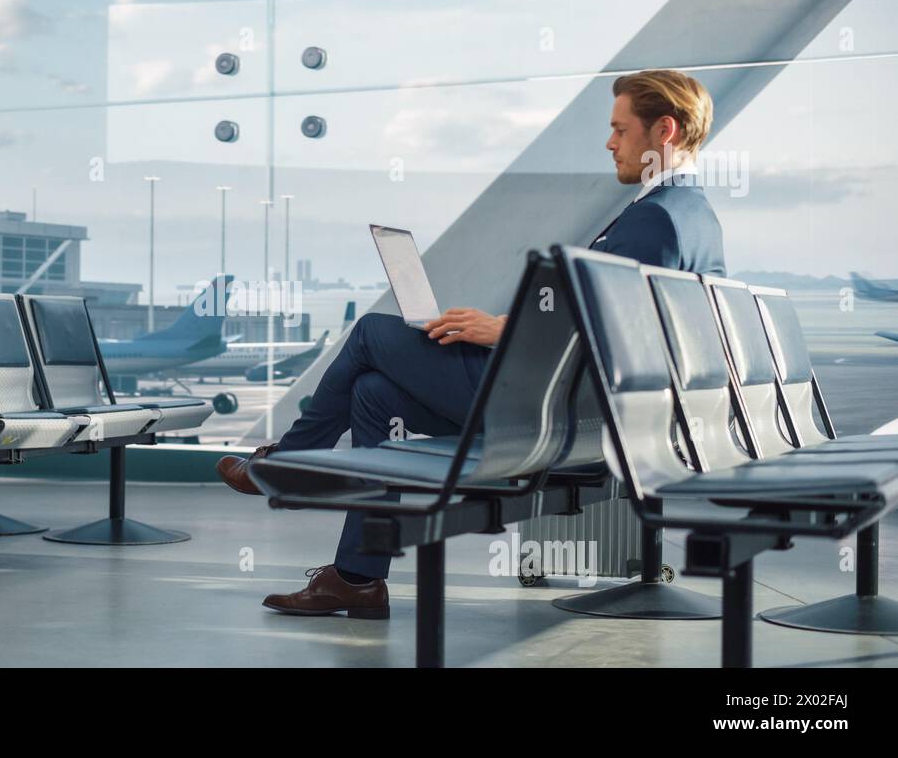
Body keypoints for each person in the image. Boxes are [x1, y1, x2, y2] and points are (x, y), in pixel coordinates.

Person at [216, 69, 727, 619]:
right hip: (591, 415)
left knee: (370, 333)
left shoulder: (656, 220)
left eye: (620, 129)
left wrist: (500, 330)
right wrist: (503, 327)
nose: (609, 142)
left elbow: (617, 334)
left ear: (664, 131)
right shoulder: (691, 216)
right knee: (372, 394)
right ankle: (356, 579)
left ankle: (289, 461)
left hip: (561, 419)